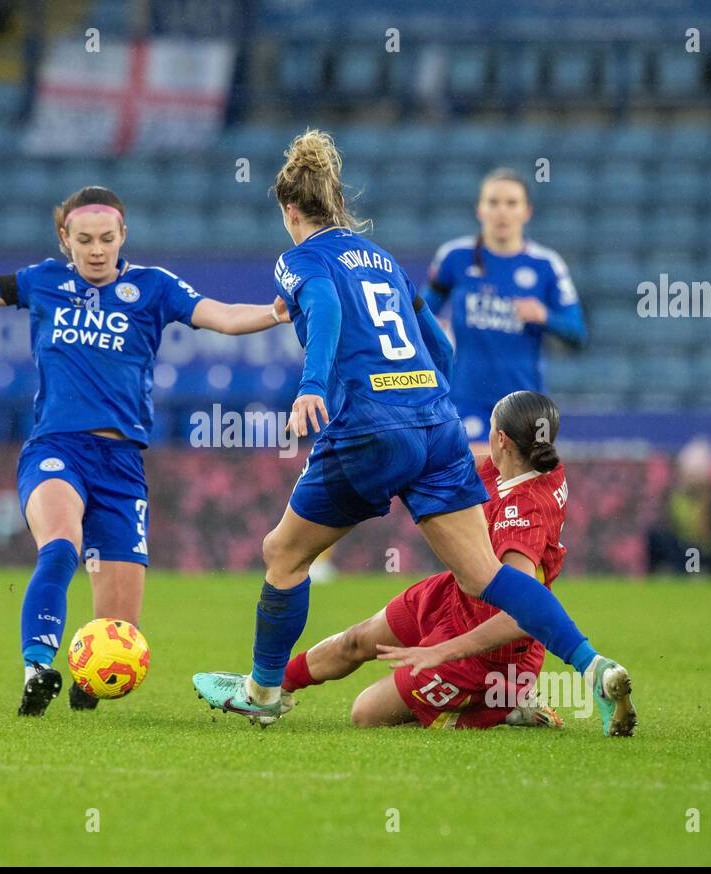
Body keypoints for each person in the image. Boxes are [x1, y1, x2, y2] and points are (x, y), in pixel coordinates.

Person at [191, 132, 635, 735]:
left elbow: (322, 306)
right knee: (486, 576)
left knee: (284, 554)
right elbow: (440, 344)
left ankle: (264, 692)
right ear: (338, 201)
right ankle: (591, 664)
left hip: (368, 430)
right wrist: (434, 400)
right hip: (436, 424)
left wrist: (313, 386)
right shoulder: (383, 258)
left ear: (290, 211)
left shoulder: (300, 260)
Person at [0, 186, 289, 717]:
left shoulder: (153, 288)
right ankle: (37, 668)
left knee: (119, 636)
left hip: (123, 466)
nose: (96, 250)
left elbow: (222, 316)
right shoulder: (43, 282)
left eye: (107, 239)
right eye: (84, 239)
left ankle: (84, 692)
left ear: (123, 236)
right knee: (61, 546)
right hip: (56, 449)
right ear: (64, 238)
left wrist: (276, 312)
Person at [283, 391, 633, 735]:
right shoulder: (530, 464)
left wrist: (442, 651)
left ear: (502, 438)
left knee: (366, 713)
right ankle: (273, 686)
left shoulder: (522, 514)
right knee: (356, 640)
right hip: (455, 594)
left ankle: (506, 705)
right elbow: (453, 454)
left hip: (490, 656)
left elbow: (517, 617)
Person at [424, 168, 585, 446]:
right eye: (493, 202)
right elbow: (420, 311)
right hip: (467, 399)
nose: (502, 212)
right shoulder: (455, 257)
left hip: (525, 404)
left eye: (511, 203)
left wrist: (545, 316)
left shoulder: (546, 265)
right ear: (480, 210)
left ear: (526, 212)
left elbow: (577, 333)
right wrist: (433, 327)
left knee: (521, 488)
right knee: (477, 477)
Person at [647, 436, 711, 575]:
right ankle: (663, 573)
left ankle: (693, 573)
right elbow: (672, 525)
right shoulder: (677, 496)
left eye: (695, 474)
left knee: (693, 549)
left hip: (702, 549)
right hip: (681, 545)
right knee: (658, 538)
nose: (690, 477)